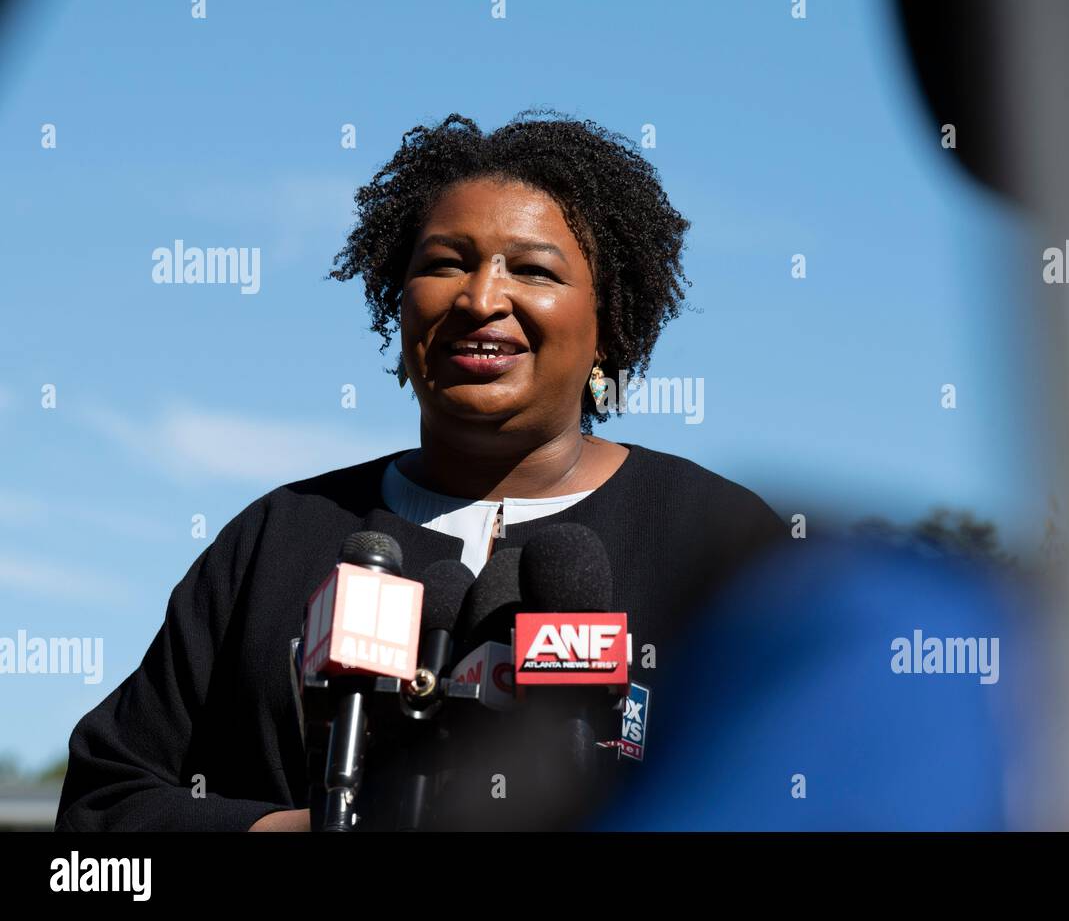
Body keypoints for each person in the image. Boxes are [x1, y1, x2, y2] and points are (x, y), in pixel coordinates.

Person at [55, 111, 783, 831]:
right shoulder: (275, 539)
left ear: (608, 328)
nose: (480, 298)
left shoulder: (722, 546)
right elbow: (103, 808)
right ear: (397, 300)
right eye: (445, 263)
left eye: (533, 270)